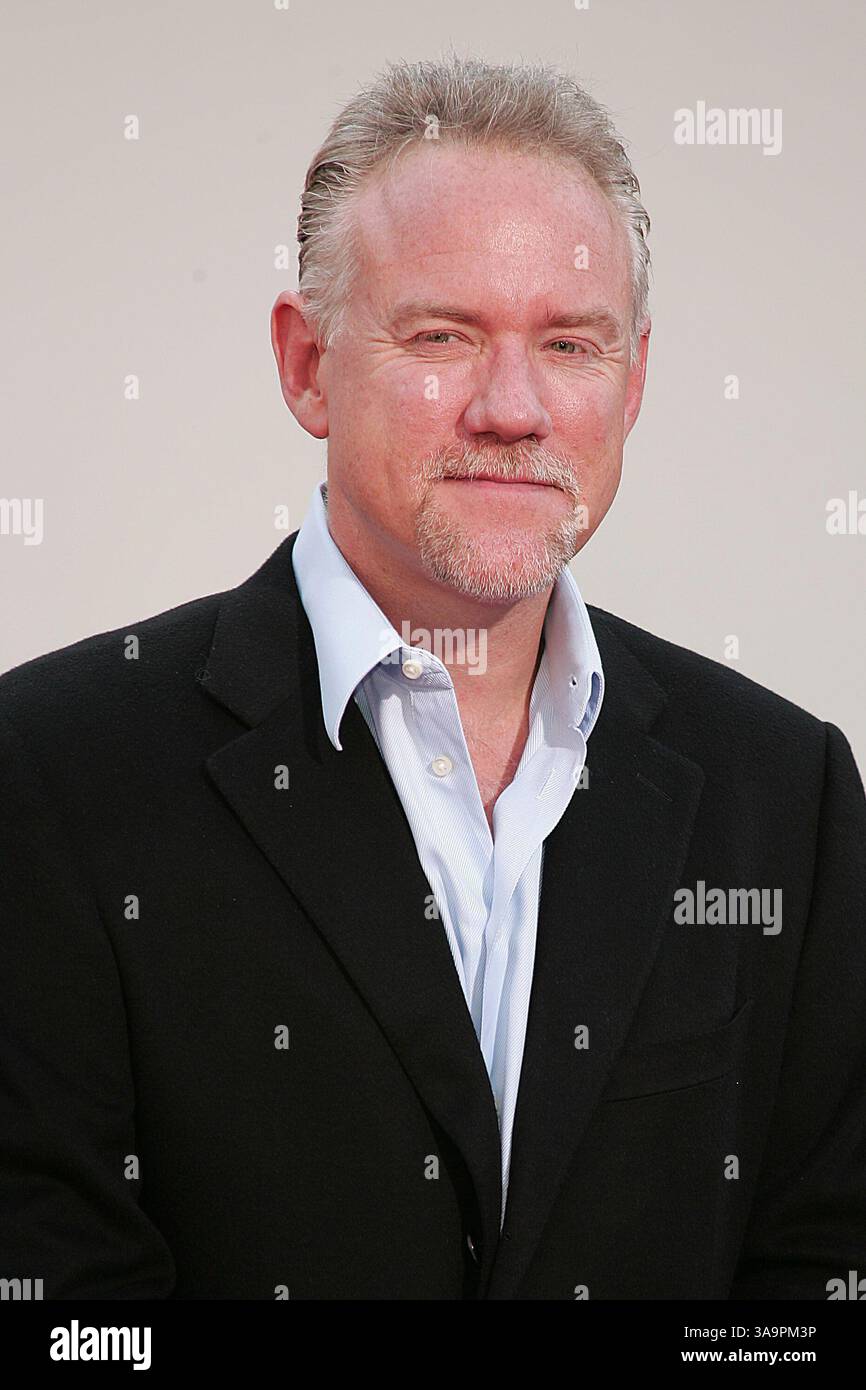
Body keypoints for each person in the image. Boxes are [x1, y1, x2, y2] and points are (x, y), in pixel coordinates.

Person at [1, 55, 864, 1301]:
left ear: (633, 381)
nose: (512, 408)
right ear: (306, 366)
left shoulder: (787, 796)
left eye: (571, 342)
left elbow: (817, 1287)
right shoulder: (50, 775)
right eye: (442, 335)